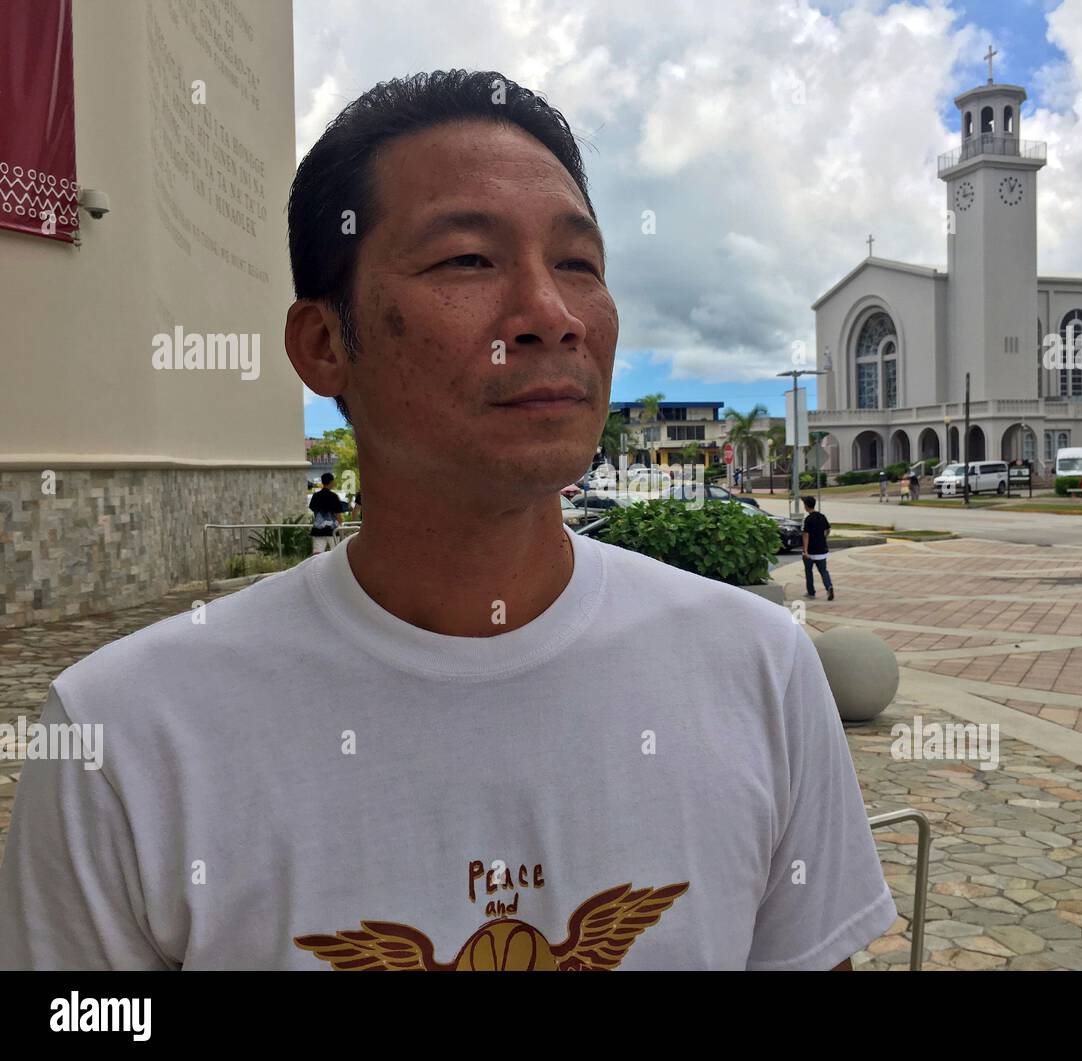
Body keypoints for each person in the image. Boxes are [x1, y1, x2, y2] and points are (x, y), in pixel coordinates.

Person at [0, 70, 895, 972]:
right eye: (468, 259)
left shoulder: (758, 670)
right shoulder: (123, 740)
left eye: (578, 263)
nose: (550, 314)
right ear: (322, 344)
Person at [801, 495, 833, 601]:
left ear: (806, 506)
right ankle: (829, 586)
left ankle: (811, 592)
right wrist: (824, 537)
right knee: (823, 571)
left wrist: (805, 550)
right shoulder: (822, 516)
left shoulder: (808, 519)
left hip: (810, 550)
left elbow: (806, 535)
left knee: (809, 572)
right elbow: (828, 529)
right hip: (821, 550)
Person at [308, 472, 349, 553]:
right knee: (335, 553)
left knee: (317, 554)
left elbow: (314, 511)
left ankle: (317, 566)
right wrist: (342, 527)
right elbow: (338, 515)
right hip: (332, 531)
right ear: (331, 482)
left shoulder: (315, 496)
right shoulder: (333, 496)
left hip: (318, 530)